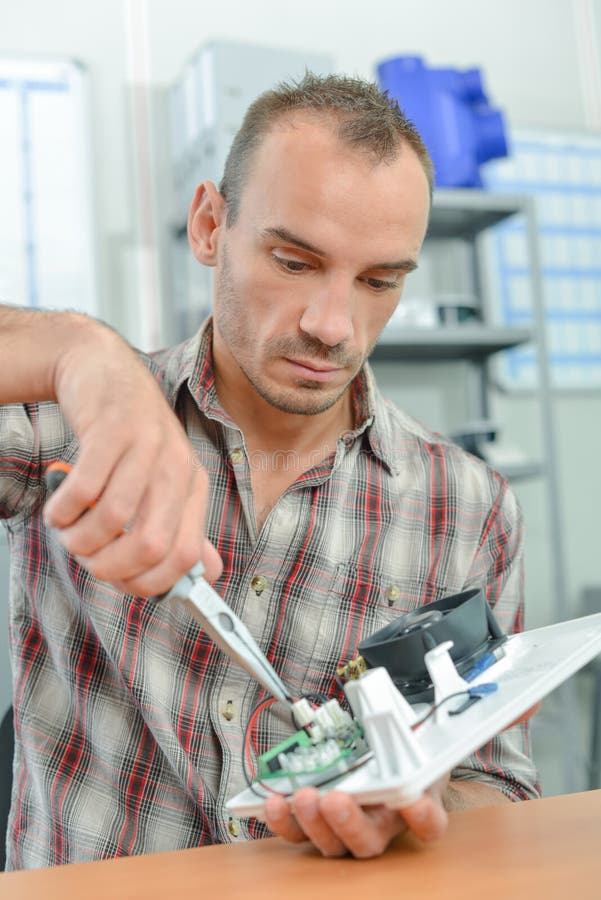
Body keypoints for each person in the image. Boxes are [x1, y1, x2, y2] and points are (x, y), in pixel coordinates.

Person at [0, 72, 539, 870]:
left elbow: (495, 780)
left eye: (379, 281)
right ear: (211, 224)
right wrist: (81, 352)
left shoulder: (469, 507)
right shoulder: (62, 422)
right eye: (293, 261)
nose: (331, 325)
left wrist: (421, 805)